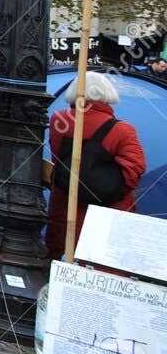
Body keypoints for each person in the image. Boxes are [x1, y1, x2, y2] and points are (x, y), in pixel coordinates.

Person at [45, 73, 148, 258]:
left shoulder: (60, 120)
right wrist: (109, 188)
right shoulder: (123, 130)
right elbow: (135, 169)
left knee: (61, 265)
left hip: (65, 207)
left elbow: (57, 154)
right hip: (107, 216)